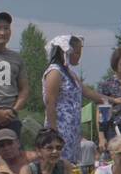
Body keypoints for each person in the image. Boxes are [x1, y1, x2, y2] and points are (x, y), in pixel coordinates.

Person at [42, 35, 113, 163]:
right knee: (60, 162)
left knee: (71, 165)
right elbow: (50, 103)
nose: (79, 56)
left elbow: (87, 92)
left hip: (72, 130)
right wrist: (53, 133)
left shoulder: (70, 73)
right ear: (66, 51)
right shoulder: (55, 72)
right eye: (77, 52)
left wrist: (114, 100)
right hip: (59, 129)